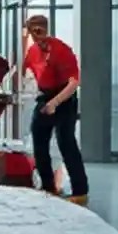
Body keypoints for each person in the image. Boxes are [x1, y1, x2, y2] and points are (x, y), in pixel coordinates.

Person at [21, 14, 89, 205]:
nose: (36, 35)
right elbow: (19, 70)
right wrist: (22, 40)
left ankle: (80, 190)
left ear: (46, 28)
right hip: (45, 95)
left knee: (66, 142)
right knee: (38, 140)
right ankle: (48, 187)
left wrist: (55, 103)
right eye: (32, 31)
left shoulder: (61, 50)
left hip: (64, 97)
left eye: (39, 30)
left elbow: (74, 82)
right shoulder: (32, 51)